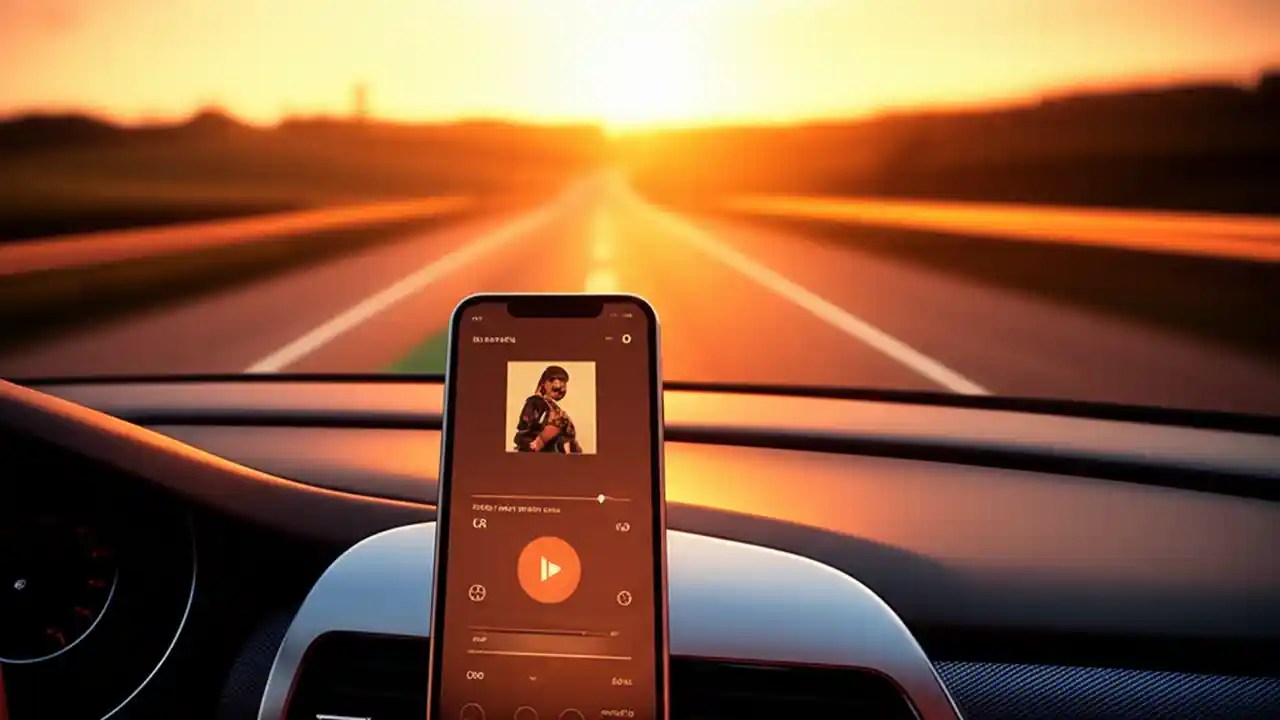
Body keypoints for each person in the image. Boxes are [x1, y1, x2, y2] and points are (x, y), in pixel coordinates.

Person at [513, 365, 582, 453]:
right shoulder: (535, 402)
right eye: (556, 387)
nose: (561, 389)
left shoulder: (551, 405)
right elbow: (525, 430)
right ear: (545, 383)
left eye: (564, 386)